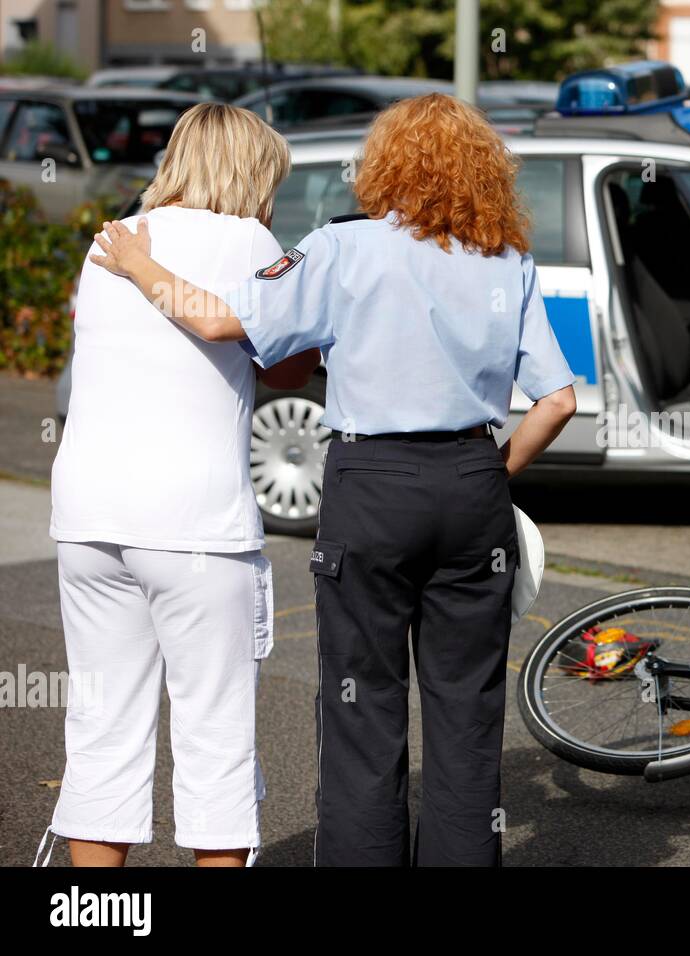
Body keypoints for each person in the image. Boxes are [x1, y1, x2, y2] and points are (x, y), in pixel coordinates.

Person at [89, 93, 578, 866]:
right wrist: (495, 471)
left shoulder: (343, 249)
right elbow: (558, 401)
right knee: (466, 710)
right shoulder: (507, 263)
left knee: (363, 705)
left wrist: (139, 261)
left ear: (385, 164)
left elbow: (222, 323)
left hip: (373, 487)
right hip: (471, 484)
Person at [36, 103, 320, 868]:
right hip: (194, 526)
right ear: (252, 172)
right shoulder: (250, 242)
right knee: (215, 734)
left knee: (101, 727)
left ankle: (97, 916)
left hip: (90, 519)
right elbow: (286, 363)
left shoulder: (115, 240)